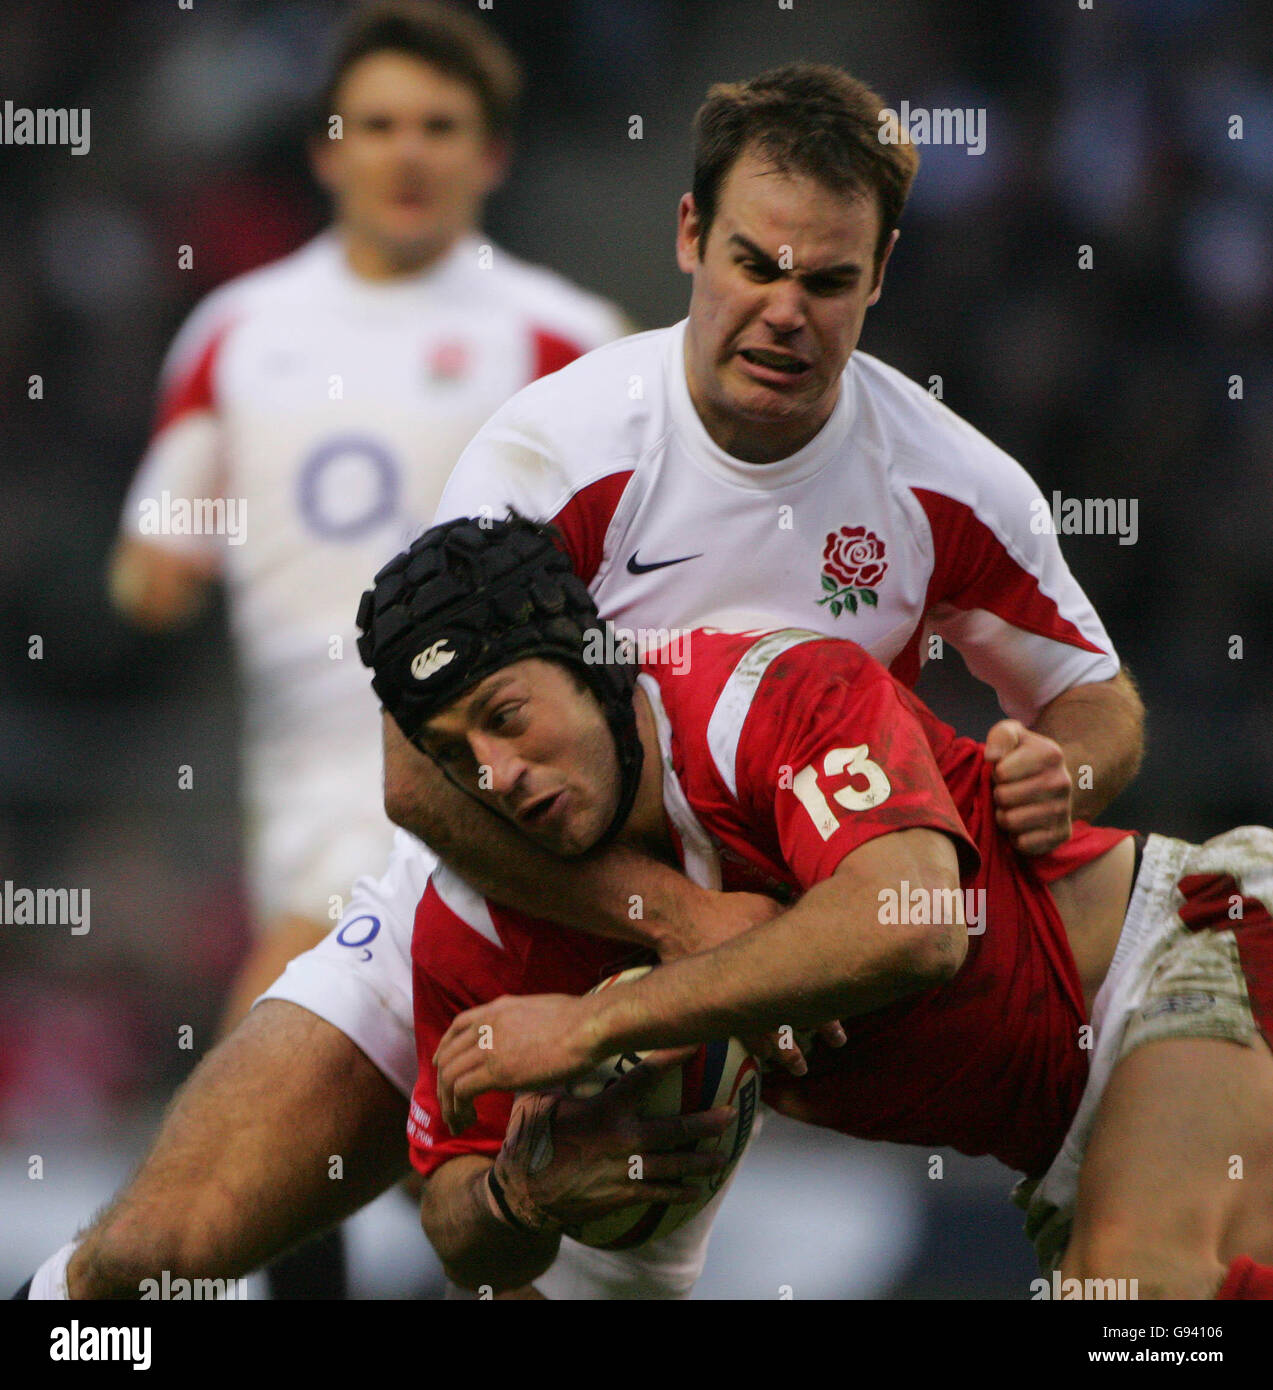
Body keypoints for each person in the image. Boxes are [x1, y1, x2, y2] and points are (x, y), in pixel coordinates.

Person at [22, 61, 1143, 1302]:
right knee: (154, 1254)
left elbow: (1095, 700)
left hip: (733, 1005)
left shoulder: (951, 486)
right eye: (753, 264)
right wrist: (674, 919)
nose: (784, 310)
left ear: (876, 279)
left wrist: (1067, 767)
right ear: (687, 237)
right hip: (495, 907)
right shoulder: (556, 448)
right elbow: (416, 770)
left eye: (827, 281)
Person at [372, 513, 1273, 1301]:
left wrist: (595, 1022)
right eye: (454, 756)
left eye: (507, 714)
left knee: (1142, 1297)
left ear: (589, 661)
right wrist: (516, 1196)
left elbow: (915, 927)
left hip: (1187, 942)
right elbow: (457, 1217)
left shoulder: (765, 694)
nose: (497, 773)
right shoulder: (478, 918)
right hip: (1067, 1147)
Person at [103, 0, 626, 1297]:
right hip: (314, 817)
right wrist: (169, 552)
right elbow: (151, 571)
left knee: (492, 1195)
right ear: (329, 149)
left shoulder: (563, 335)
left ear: (490, 154)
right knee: (251, 1175)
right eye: (379, 124)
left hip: (497, 804)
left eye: (440, 128)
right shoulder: (238, 330)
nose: (408, 153)